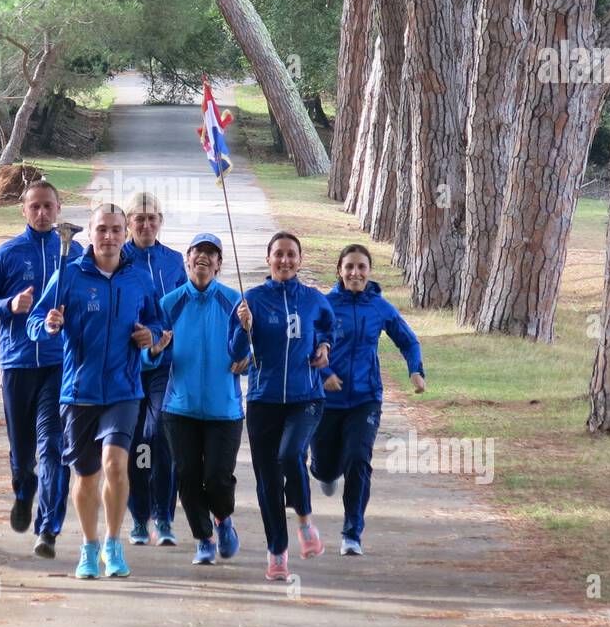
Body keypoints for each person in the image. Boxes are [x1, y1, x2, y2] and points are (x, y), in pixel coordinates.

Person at [27, 203, 165, 580]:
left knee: (116, 465)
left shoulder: (139, 278)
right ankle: (88, 547)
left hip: (124, 389)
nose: (109, 237)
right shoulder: (69, 276)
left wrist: (149, 335)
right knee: (86, 475)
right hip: (79, 392)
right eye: (102, 229)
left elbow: (157, 321)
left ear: (125, 234)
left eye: (116, 230)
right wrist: (50, 326)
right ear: (90, 233)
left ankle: (113, 543)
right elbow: (35, 322)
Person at [0, 180, 81, 558]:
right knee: (23, 453)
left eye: (49, 206)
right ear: (24, 210)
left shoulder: (75, 253)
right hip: (17, 362)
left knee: (53, 447)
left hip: (59, 365)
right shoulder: (8, 254)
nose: (43, 213)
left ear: (59, 207)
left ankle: (48, 528)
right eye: (35, 207)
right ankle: (22, 490)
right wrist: (9, 305)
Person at [229, 231, 334, 582]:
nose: (285, 261)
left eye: (291, 255)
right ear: (269, 258)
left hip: (306, 398)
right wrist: (243, 329)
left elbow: (328, 331)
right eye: (279, 255)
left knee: (291, 455)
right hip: (263, 401)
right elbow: (236, 354)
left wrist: (324, 348)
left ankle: (305, 520)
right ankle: (277, 552)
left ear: (300, 260)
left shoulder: (314, 300)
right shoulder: (251, 301)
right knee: (268, 482)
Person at [313, 244, 425, 555]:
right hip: (327, 400)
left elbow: (408, 340)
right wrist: (326, 374)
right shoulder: (324, 305)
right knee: (324, 468)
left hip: (366, 398)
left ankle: (352, 532)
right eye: (349, 266)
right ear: (339, 270)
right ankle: (325, 473)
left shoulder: (380, 307)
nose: (355, 273)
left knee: (358, 460)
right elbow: (309, 345)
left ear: (369, 271)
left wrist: (415, 371)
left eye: (361, 267)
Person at [146, 233, 247, 565]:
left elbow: (245, 357)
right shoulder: (169, 303)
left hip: (224, 409)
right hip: (180, 407)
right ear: (186, 259)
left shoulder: (235, 302)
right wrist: (155, 351)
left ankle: (223, 519)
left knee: (217, 477)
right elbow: (152, 356)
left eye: (211, 254)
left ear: (219, 264)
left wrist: (247, 338)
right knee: (187, 477)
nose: (203, 257)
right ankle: (204, 539)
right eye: (197, 252)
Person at [121, 191, 186, 547]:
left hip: (166, 363)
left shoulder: (175, 260)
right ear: (129, 222)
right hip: (129, 364)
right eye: (139, 218)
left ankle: (164, 514)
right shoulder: (118, 258)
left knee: (160, 433)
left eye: (152, 218)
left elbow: (186, 309)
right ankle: (139, 516)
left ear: (160, 221)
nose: (146, 224)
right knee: (135, 440)